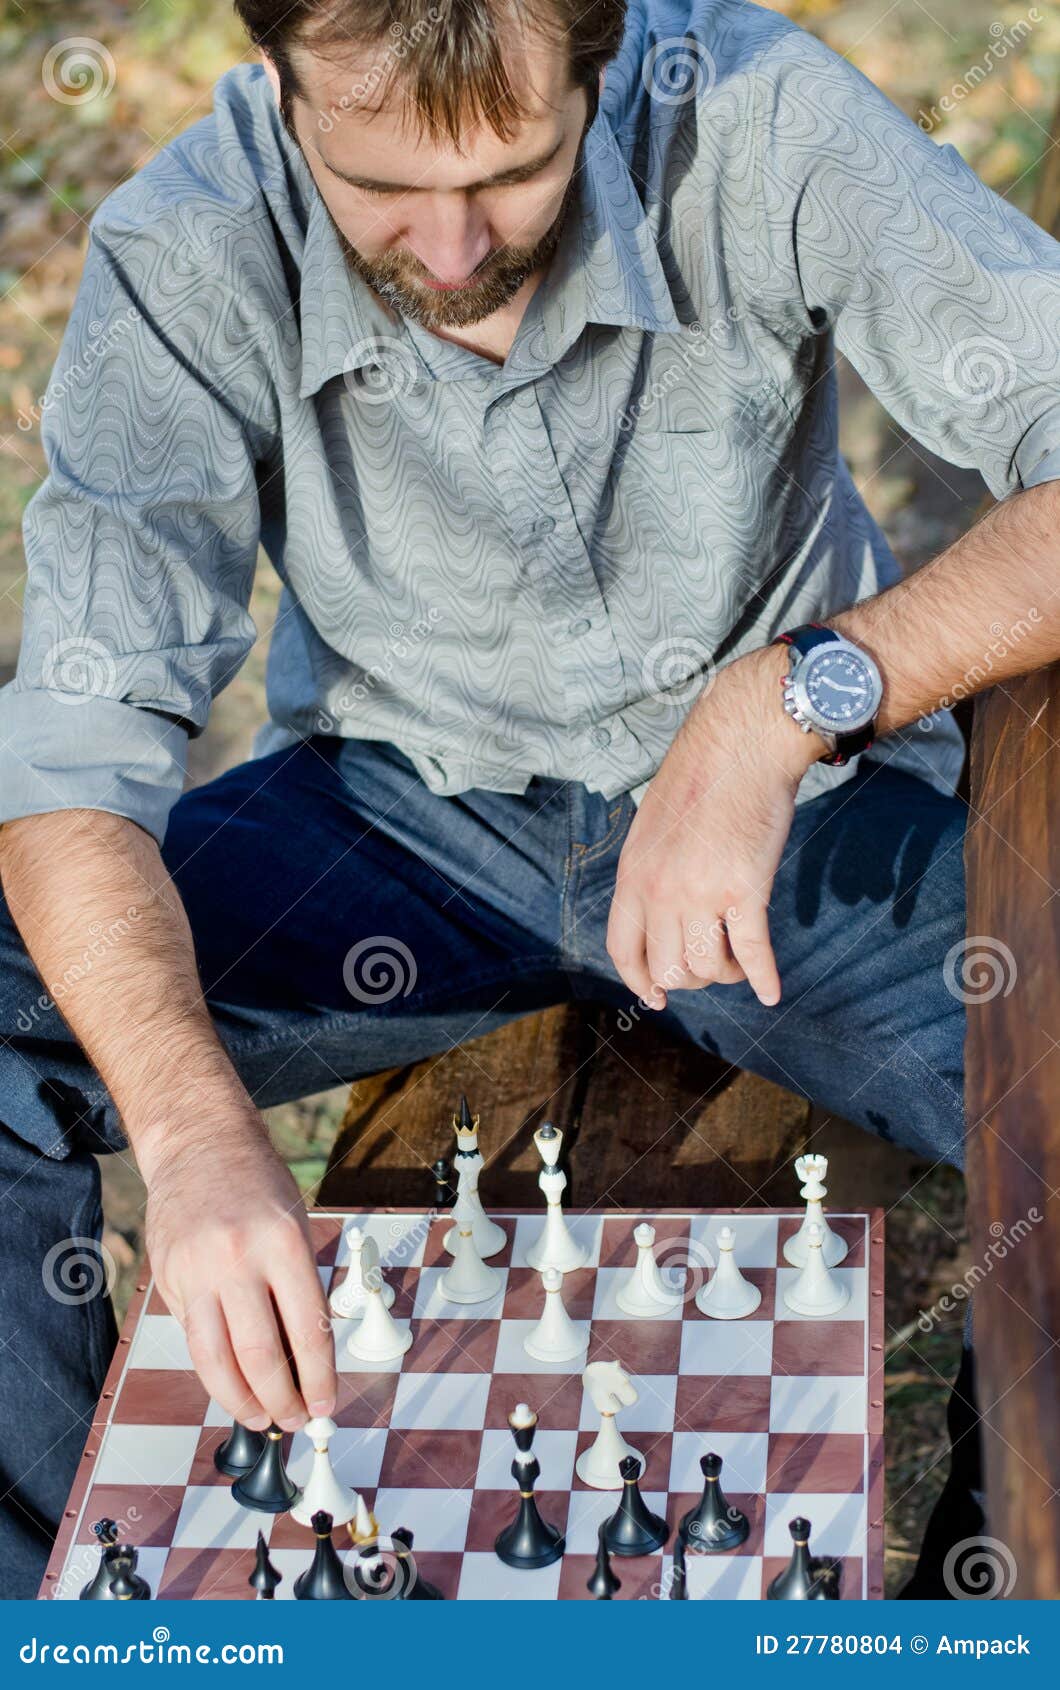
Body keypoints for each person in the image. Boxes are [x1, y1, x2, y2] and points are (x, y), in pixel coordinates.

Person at [0, 0, 1057, 1599]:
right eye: (377, 187)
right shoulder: (188, 241)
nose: (450, 250)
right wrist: (195, 1130)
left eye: (513, 173)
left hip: (793, 821)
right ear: (277, 79)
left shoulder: (757, 110)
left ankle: (986, 1611)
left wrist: (791, 697)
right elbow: (75, 761)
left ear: (601, 59)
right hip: (398, 813)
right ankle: (60, 1622)